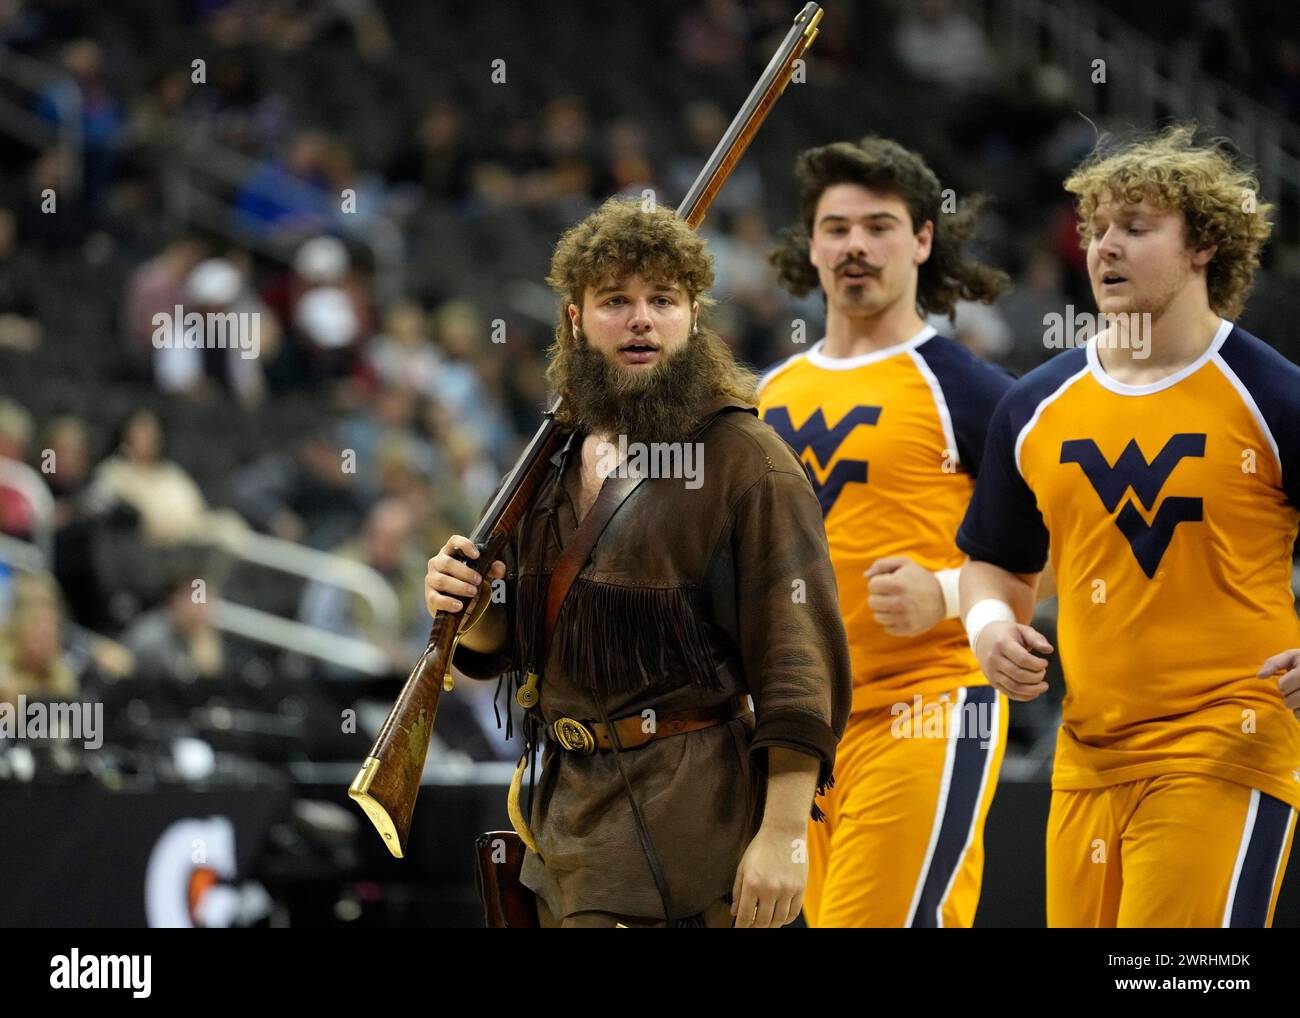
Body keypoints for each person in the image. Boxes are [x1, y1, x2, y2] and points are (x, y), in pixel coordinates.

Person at [425, 197, 852, 927]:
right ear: (574, 319)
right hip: (564, 829)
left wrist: (783, 836)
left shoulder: (746, 462)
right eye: (614, 300)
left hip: (695, 830)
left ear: (695, 317)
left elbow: (796, 662)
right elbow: (507, 644)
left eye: (664, 300)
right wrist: (464, 606)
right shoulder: (546, 462)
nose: (641, 319)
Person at [958, 125, 1300, 927]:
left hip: (1226, 744)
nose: (1105, 248)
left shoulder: (1273, 396)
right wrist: (986, 628)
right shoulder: (1035, 403)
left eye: (1136, 229)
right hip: (1086, 757)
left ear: (1204, 246)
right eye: (1095, 230)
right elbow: (995, 561)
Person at [759, 136, 1017, 927]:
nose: (856, 245)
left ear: (923, 239)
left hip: (927, 707)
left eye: (879, 225)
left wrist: (945, 593)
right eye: (836, 227)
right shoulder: (765, 396)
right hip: (796, 734)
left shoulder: (975, 393)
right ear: (811, 245)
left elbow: (1078, 552)